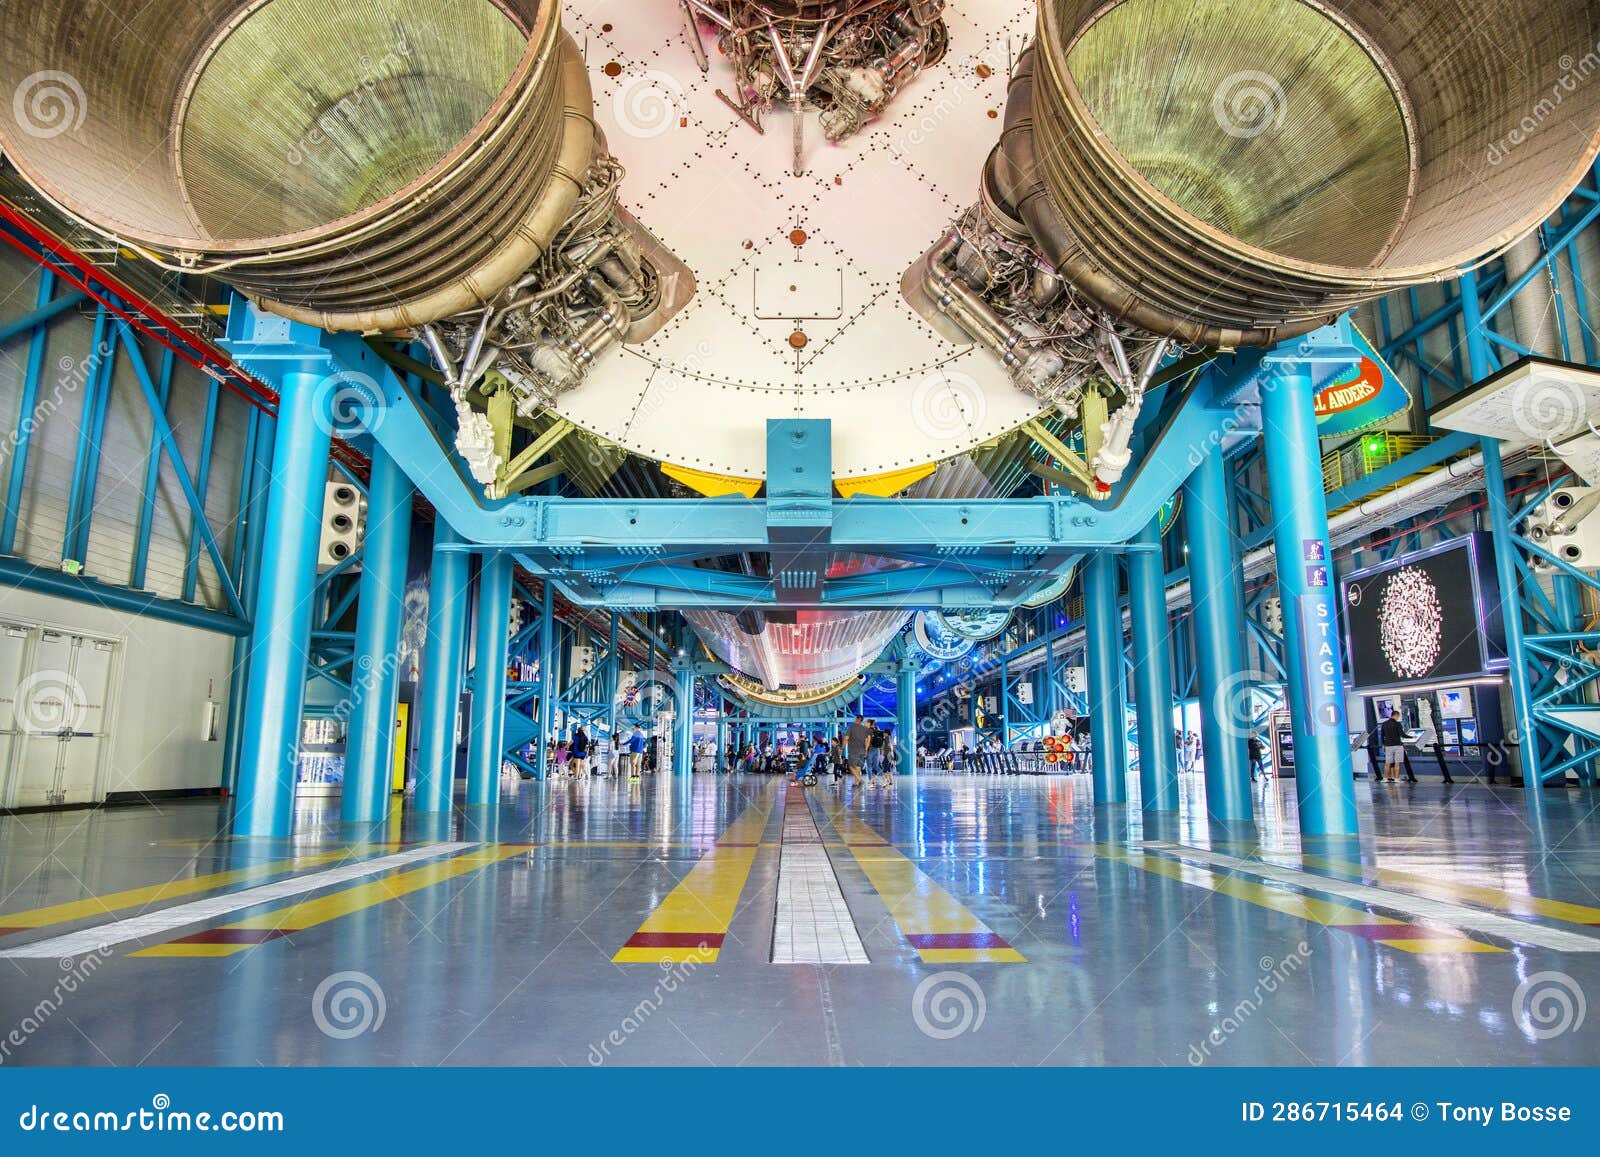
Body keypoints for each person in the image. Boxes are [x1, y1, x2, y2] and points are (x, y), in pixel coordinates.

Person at [845, 714, 870, 787]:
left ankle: (859, 779)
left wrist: (843, 746)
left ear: (858, 719)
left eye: (856, 718)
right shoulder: (865, 729)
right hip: (862, 751)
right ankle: (856, 782)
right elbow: (867, 740)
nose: (855, 720)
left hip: (854, 751)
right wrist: (866, 749)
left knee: (851, 766)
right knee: (858, 767)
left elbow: (846, 738)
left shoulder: (851, 727)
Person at [1379, 711, 1405, 783]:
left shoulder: (1384, 724)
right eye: (1398, 716)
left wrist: (1383, 744)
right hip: (1397, 745)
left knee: (1387, 763)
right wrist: (1412, 737)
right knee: (1397, 763)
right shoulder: (1397, 724)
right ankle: (1396, 778)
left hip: (1388, 746)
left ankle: (1385, 778)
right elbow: (1402, 734)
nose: (1398, 718)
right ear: (1396, 715)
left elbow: (1382, 735)